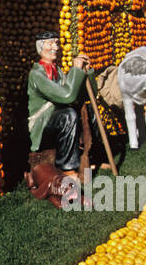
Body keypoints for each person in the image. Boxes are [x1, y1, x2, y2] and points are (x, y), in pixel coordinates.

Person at [27, 31, 96, 172]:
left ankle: (92, 156)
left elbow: (85, 95)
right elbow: (67, 96)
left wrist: (87, 72)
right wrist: (76, 70)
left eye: (57, 43)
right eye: (50, 43)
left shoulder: (58, 71)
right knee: (68, 116)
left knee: (90, 111)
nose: (56, 48)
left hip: (56, 116)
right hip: (42, 122)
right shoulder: (37, 75)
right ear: (40, 47)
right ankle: (68, 168)